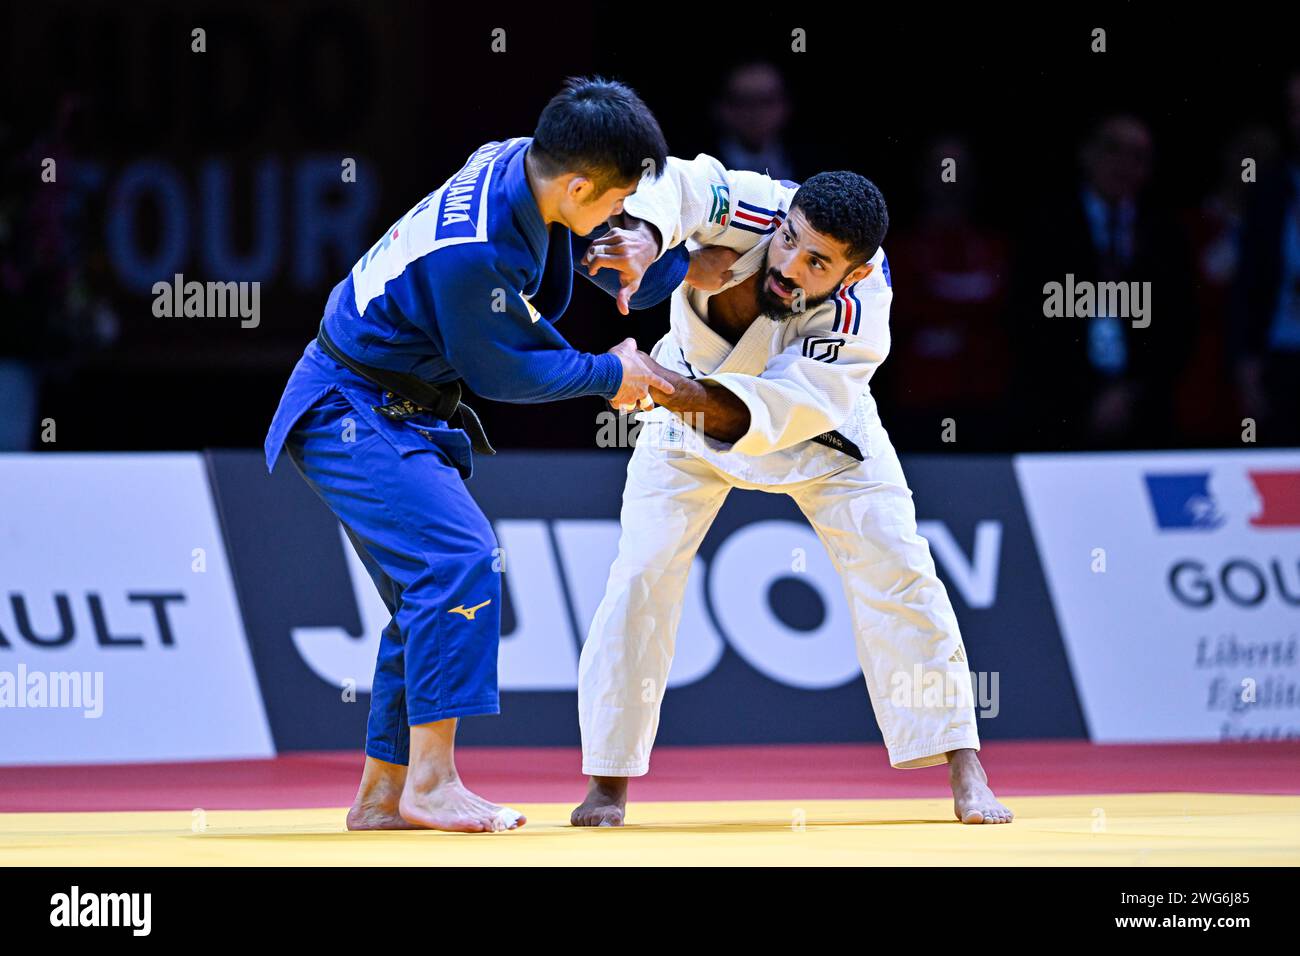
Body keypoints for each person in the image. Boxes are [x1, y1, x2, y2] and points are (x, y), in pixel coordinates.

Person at [264, 77, 676, 833]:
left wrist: (599, 256)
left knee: (421, 597)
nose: (617, 216)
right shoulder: (474, 250)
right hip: (348, 408)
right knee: (460, 560)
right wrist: (612, 373)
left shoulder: (516, 160)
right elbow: (501, 373)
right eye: (614, 203)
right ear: (579, 182)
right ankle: (432, 783)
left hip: (389, 402)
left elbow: (526, 287)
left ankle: (382, 796)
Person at [570, 155, 1012, 826]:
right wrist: (647, 238)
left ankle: (963, 763)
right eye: (790, 241)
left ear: (854, 273)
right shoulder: (758, 204)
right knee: (638, 577)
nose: (789, 266)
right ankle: (607, 783)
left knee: (900, 572)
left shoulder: (862, 315)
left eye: (818, 265)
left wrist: (652, 385)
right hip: (683, 408)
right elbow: (678, 184)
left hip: (818, 433)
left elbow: (762, 415)